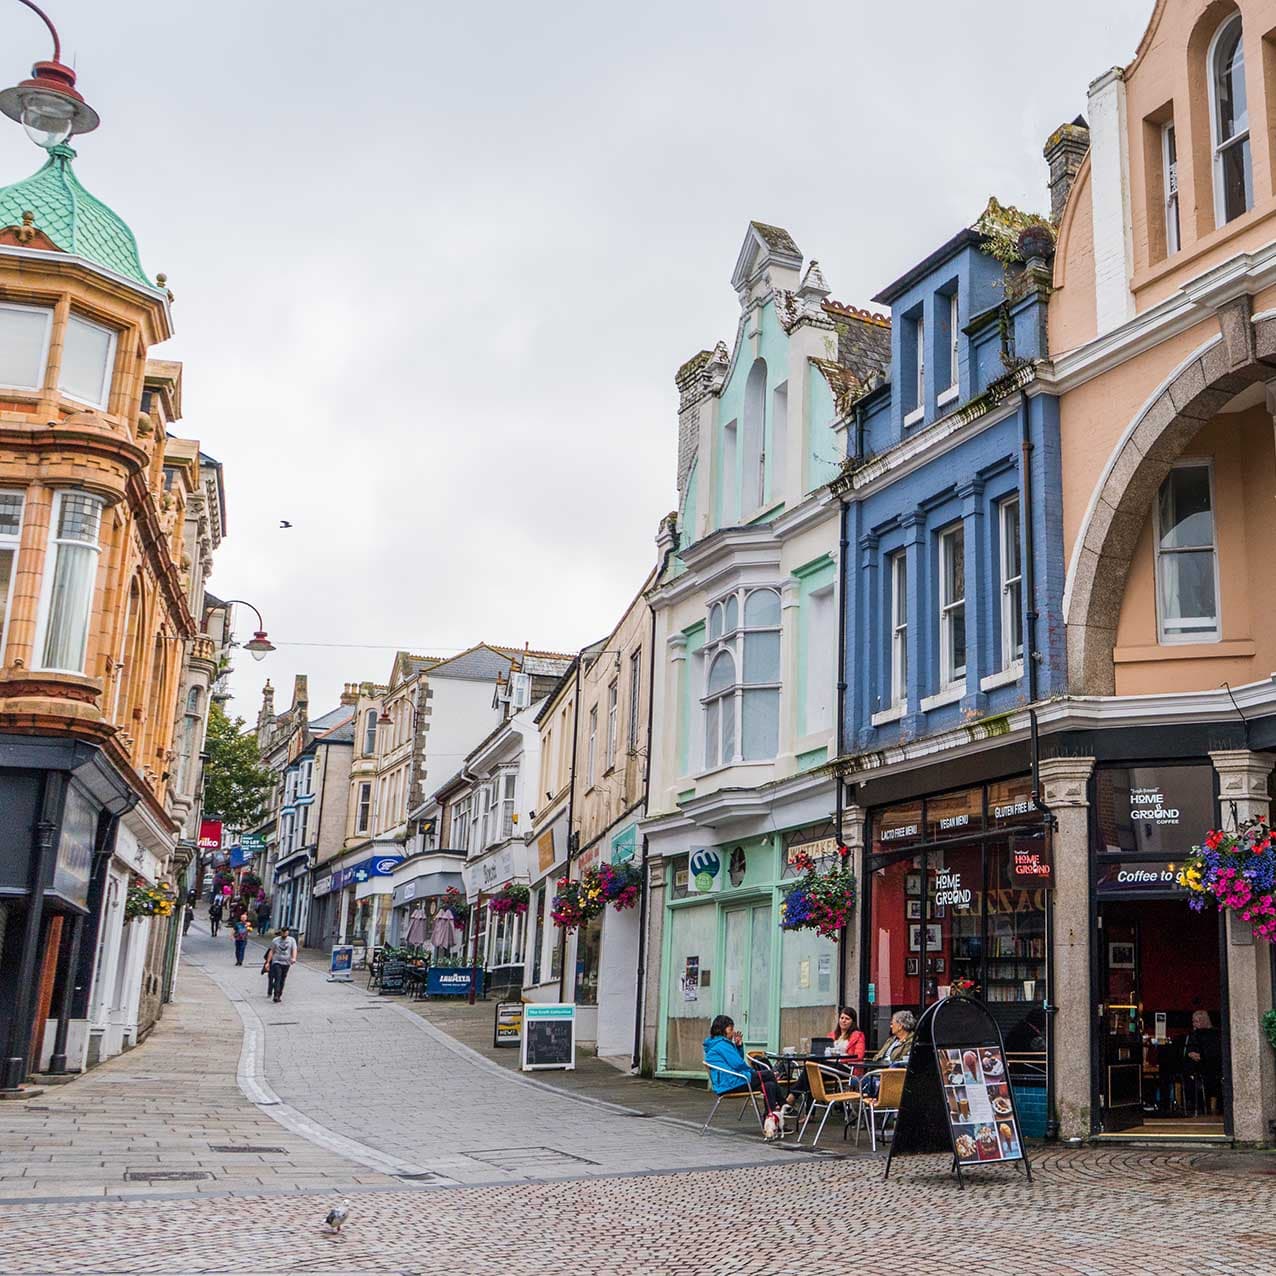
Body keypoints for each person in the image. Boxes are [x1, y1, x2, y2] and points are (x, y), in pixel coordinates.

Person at [702, 1016, 794, 1117]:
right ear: (721, 1029)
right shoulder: (722, 1045)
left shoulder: (718, 1043)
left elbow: (736, 1061)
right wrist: (752, 1072)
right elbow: (738, 1064)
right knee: (768, 1074)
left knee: (769, 1085)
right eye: (730, 1029)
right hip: (731, 1083)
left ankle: (771, 1121)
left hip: (730, 1081)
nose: (733, 1032)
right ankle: (783, 1103)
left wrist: (738, 1046)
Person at [846, 1010, 916, 1099]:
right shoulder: (891, 1040)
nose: (890, 1026)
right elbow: (877, 1056)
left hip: (891, 1077)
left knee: (859, 1082)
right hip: (877, 1072)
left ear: (900, 1026)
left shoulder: (911, 1042)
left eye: (892, 1023)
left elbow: (902, 1061)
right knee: (853, 1080)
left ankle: (872, 1102)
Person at [1183, 1009, 1222, 1115]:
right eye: (1193, 1021)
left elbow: (1216, 1052)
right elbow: (1189, 1050)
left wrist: (1202, 1056)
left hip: (1212, 1066)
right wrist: (1190, 1053)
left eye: (1196, 1021)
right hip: (1198, 1066)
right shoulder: (1194, 1034)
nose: (1194, 1024)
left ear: (1204, 1021)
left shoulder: (1217, 1034)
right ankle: (1191, 1103)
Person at [265, 927, 298, 1003]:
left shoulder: (291, 940)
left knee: (282, 979)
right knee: (278, 977)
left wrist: (294, 958)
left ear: (288, 933)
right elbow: (271, 951)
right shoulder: (276, 940)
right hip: (277, 962)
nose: (284, 934)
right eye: (283, 933)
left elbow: (294, 949)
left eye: (286, 933)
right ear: (281, 933)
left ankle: (279, 994)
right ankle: (276, 995)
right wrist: (268, 962)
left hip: (286, 962)